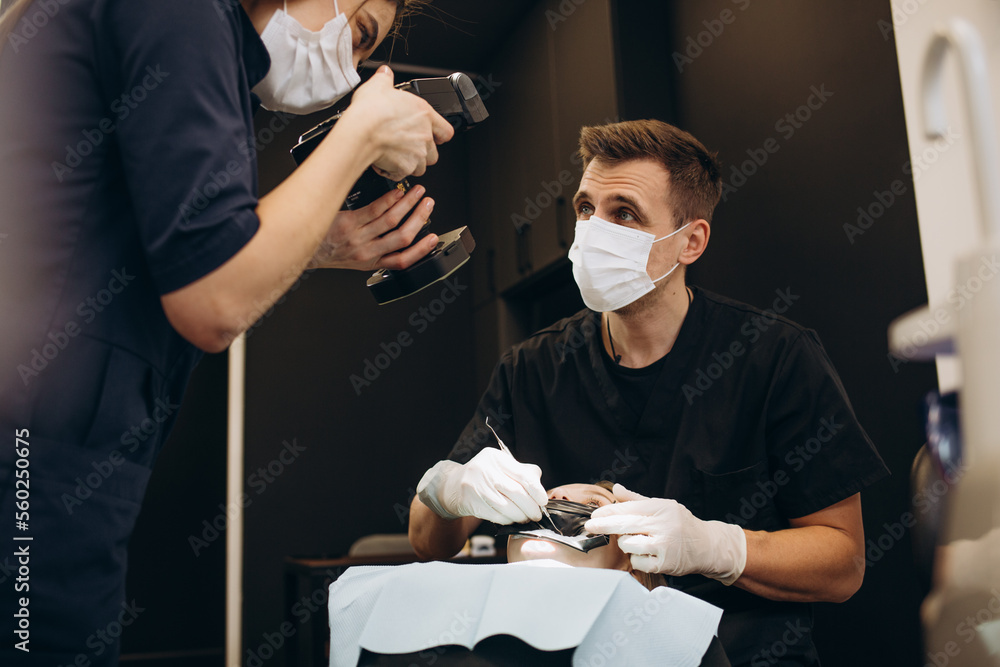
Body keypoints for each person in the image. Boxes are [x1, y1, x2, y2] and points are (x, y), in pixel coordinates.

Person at [0, 0, 452, 664]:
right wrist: (361, 132)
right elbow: (213, 299)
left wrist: (315, 242)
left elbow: (153, 252)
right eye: (357, 34)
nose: (351, 69)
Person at [409, 120, 890, 666]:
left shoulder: (773, 359)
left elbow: (843, 563)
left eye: (625, 213)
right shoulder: (533, 369)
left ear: (691, 241)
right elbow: (428, 542)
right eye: (586, 207)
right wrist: (451, 489)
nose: (593, 230)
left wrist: (715, 547)